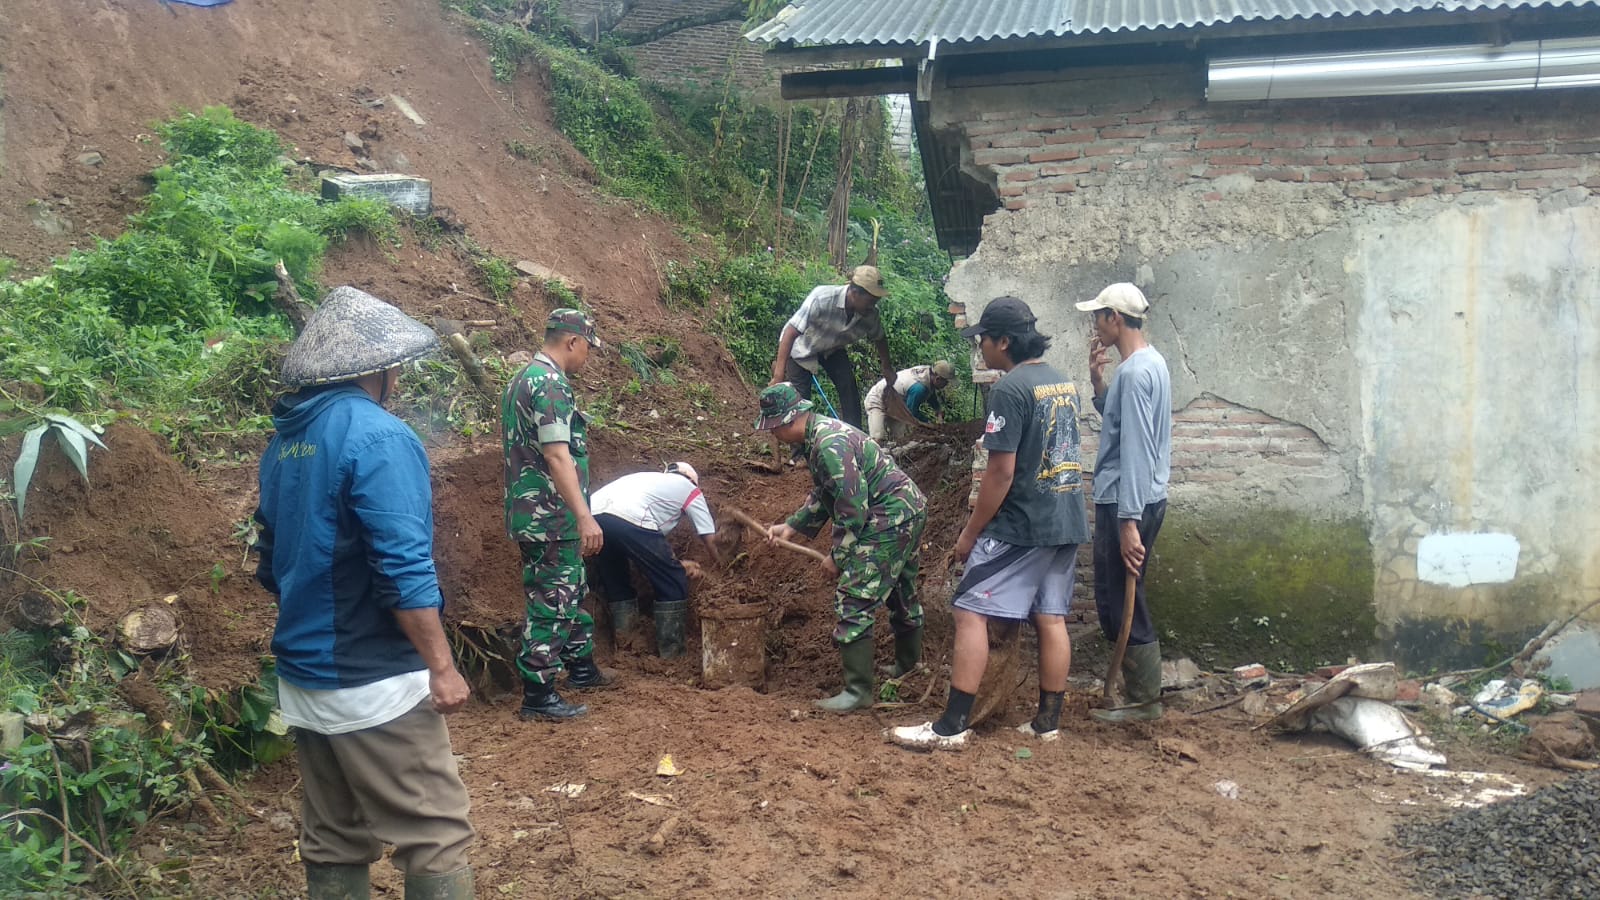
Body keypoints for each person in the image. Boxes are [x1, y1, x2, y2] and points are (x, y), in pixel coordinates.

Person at [253, 286, 476, 899]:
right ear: (375, 369)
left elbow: (271, 564)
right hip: (372, 679)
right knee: (434, 832)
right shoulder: (379, 438)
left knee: (332, 833)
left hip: (304, 677)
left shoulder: (282, 444)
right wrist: (442, 666)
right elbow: (403, 568)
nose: (399, 377)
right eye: (394, 366)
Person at [891, 297, 1089, 752]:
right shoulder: (1061, 382)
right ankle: (1047, 723)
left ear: (1004, 341)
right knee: (1050, 615)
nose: (979, 346)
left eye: (983, 338)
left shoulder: (1010, 390)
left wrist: (970, 533)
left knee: (969, 609)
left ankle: (952, 726)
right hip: (1066, 517)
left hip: (1024, 523)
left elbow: (1000, 472)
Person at [754, 383, 927, 711]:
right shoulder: (818, 435)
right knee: (901, 590)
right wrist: (792, 526)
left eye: (773, 428)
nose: (773, 435)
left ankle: (858, 692)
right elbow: (825, 493)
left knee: (854, 595)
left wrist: (839, 556)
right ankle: (907, 667)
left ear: (787, 421)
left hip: (889, 516)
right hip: (907, 508)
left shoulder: (828, 444)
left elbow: (851, 508)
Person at [503, 308, 612, 722]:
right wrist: (584, 516)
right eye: (587, 348)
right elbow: (556, 454)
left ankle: (581, 668)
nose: (587, 357)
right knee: (553, 599)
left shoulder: (522, 379)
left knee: (569, 588)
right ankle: (538, 692)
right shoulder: (550, 384)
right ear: (572, 342)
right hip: (549, 515)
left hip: (535, 512)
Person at [1079, 283, 1173, 724]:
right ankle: (1142, 696)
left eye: (1098, 316)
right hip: (1143, 496)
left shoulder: (1135, 374)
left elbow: (1134, 449)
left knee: (1119, 602)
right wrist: (1099, 385)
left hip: (1127, 501)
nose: (1095, 325)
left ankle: (1143, 703)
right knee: (1123, 597)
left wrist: (1128, 521)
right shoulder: (1148, 364)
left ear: (1115, 318)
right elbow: (1122, 427)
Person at [589, 462, 721, 658]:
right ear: (692, 481)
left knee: (617, 578)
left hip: (594, 517)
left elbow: (648, 551)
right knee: (673, 580)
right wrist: (722, 565)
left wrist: (672, 562)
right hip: (630, 516)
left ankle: (626, 646)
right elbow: (708, 535)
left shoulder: (648, 481)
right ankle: (672, 656)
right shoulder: (690, 489)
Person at [769, 265, 906, 437]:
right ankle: (799, 456)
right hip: (801, 347)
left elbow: (880, 338)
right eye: (871, 301)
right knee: (800, 400)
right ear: (855, 292)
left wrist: (887, 367)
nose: (873, 306)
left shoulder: (870, 314)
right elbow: (790, 332)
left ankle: (855, 440)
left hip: (832, 349)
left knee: (849, 388)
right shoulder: (822, 298)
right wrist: (778, 375)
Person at [865, 360, 955, 443]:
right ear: (938, 379)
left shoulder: (930, 373)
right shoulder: (919, 388)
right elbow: (911, 413)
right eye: (946, 382)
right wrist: (929, 423)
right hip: (878, 399)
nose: (946, 385)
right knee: (877, 439)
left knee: (902, 439)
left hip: (896, 404)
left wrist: (938, 410)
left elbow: (931, 394)